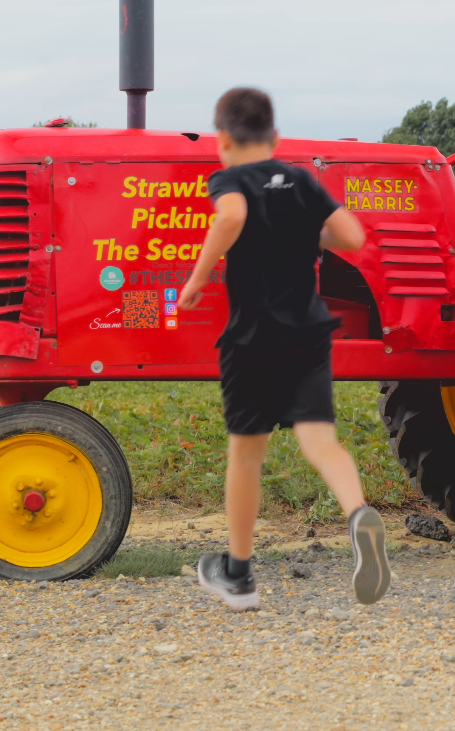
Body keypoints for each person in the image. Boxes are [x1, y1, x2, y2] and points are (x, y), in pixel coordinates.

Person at [176, 87, 391, 611]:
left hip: (253, 337)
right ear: (274, 138)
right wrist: (303, 232)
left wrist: (196, 279)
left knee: (246, 454)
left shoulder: (229, 179)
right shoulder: (301, 179)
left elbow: (229, 218)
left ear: (223, 138)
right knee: (320, 441)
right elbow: (352, 236)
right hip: (309, 332)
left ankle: (240, 576)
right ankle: (358, 512)